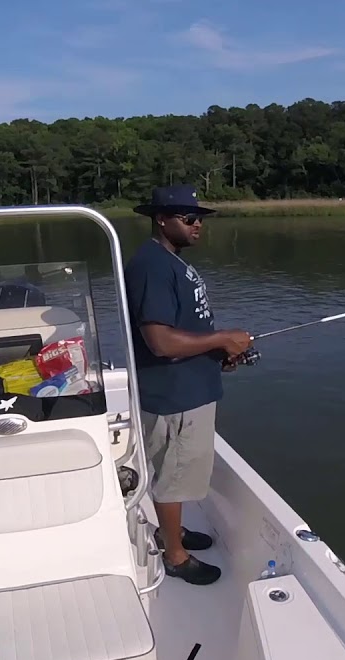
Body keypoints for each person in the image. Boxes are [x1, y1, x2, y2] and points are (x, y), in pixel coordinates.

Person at [123, 184, 252, 586]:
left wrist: (218, 353)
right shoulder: (152, 266)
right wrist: (221, 338)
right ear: (161, 219)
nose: (198, 225)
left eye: (199, 219)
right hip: (174, 396)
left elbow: (186, 329)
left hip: (190, 386)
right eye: (189, 218)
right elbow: (160, 342)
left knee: (178, 472)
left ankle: (172, 531)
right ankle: (175, 556)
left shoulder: (170, 261)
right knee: (173, 476)